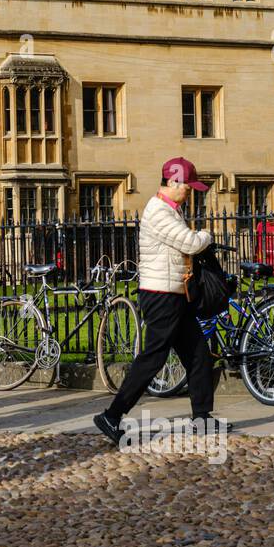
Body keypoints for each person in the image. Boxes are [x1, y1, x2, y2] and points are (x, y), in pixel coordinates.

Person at [94, 157, 215, 446]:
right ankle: (112, 415)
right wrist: (206, 235)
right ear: (173, 182)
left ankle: (202, 417)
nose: (190, 192)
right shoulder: (158, 211)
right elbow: (190, 243)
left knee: (199, 354)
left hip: (174, 294)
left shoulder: (171, 211)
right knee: (152, 359)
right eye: (188, 186)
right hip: (161, 296)